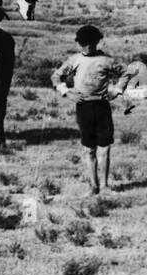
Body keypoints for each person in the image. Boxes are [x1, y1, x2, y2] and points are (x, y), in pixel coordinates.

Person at [51, 24, 131, 194]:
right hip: (83, 107)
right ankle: (93, 186)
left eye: (92, 42)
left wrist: (116, 91)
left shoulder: (107, 60)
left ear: (97, 42)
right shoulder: (74, 60)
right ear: (79, 44)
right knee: (89, 149)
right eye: (84, 43)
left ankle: (105, 186)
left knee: (105, 147)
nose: (88, 46)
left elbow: (125, 73)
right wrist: (66, 92)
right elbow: (56, 76)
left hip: (102, 106)